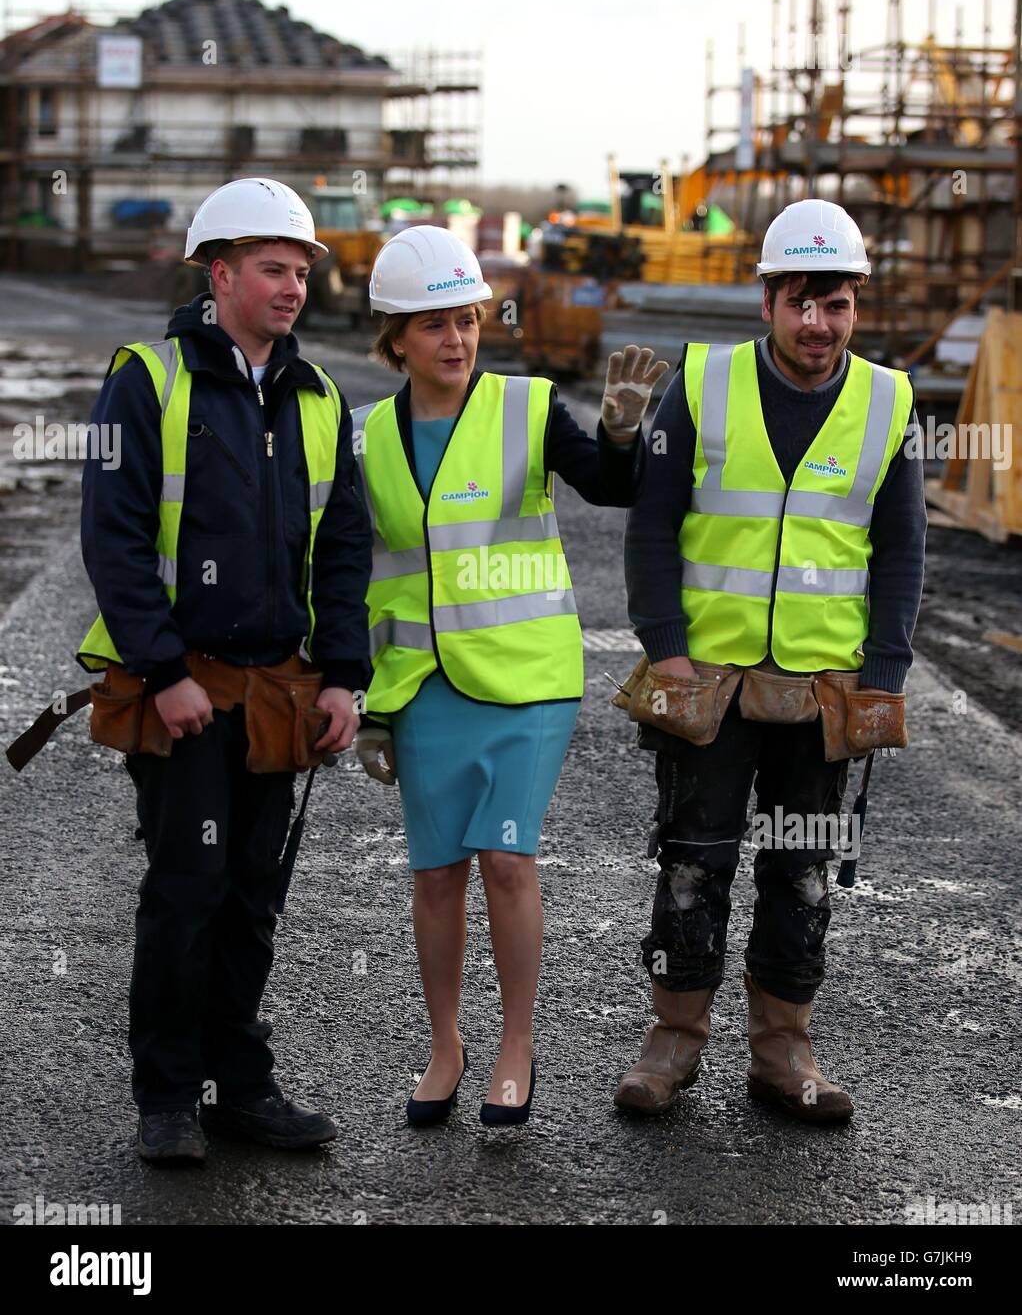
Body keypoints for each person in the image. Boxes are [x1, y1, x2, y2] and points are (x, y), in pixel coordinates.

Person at [79, 177, 372, 1163]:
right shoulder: (149, 380)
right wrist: (163, 671)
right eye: (273, 269)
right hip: (184, 692)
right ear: (220, 274)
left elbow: (342, 546)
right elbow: (114, 539)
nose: (292, 288)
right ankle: (166, 1096)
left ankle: (235, 1085)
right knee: (186, 889)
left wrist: (341, 674)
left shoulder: (319, 396)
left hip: (279, 689)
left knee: (254, 896)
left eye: (300, 272)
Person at [616, 199, 926, 1123]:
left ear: (855, 303)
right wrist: (665, 651)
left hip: (826, 686)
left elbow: (902, 549)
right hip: (708, 682)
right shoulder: (703, 384)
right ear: (766, 301)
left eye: (834, 305)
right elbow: (652, 527)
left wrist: (888, 669)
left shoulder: (888, 401)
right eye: (799, 302)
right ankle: (672, 1041)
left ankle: (783, 1049)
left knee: (803, 866)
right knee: (691, 859)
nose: (817, 325)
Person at [351, 225, 666, 1125]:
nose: (457, 340)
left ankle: (516, 1044)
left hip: (528, 681)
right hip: (422, 687)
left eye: (469, 319)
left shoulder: (529, 407)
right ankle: (446, 1044)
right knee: (436, 874)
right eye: (436, 325)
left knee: (506, 862)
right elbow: (353, 575)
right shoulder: (367, 436)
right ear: (396, 339)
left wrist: (618, 433)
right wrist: (368, 703)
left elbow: (609, 486)